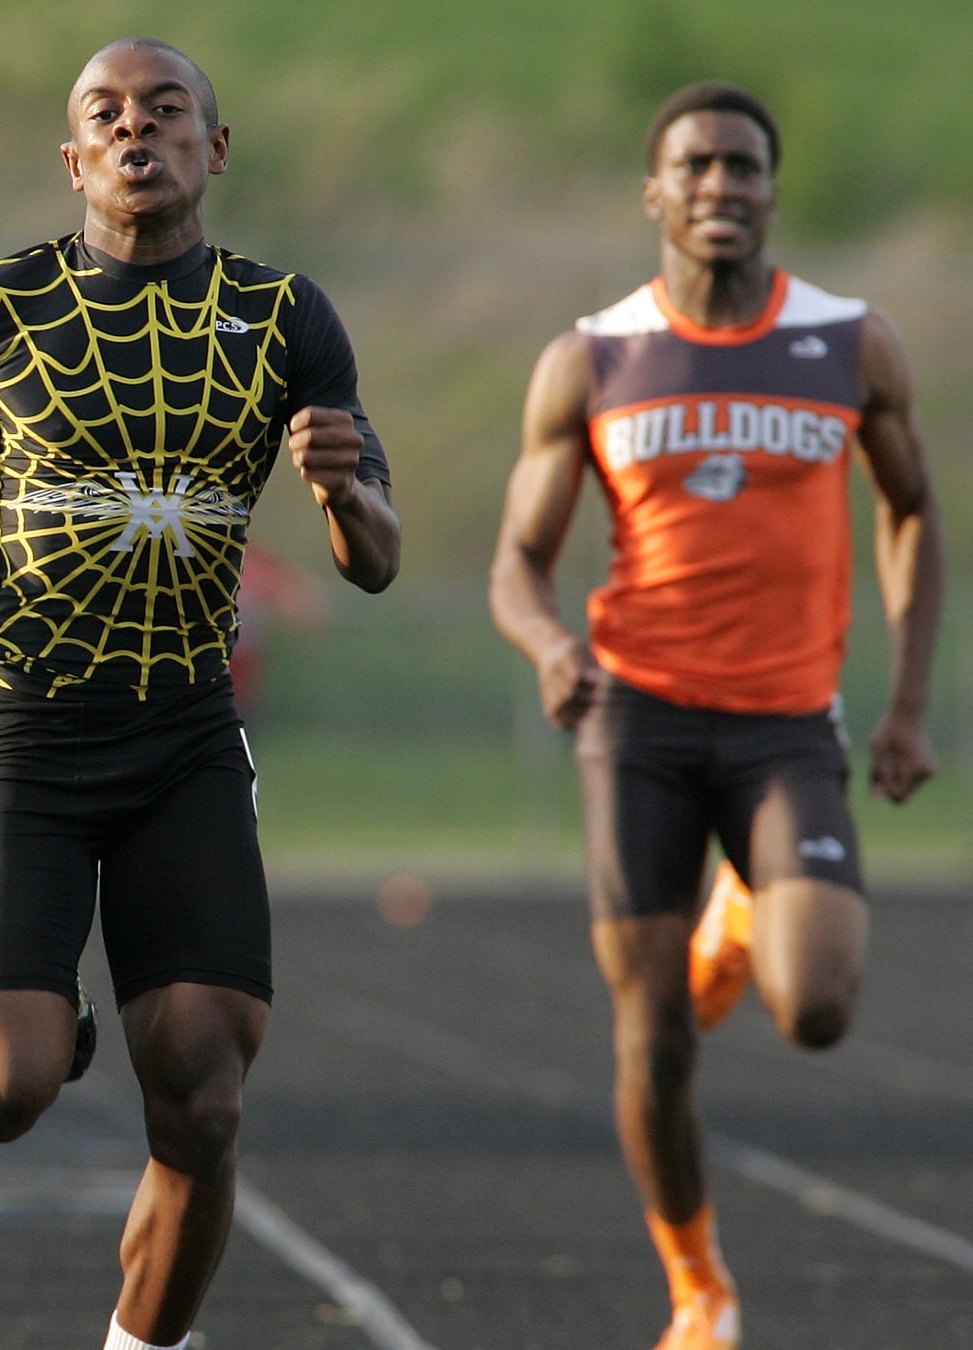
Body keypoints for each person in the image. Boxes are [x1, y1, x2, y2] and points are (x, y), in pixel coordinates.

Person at [0, 38, 399, 1350]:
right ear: (73, 158)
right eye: (106, 114)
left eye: (166, 108)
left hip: (187, 735)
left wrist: (348, 494)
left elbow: (378, 560)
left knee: (201, 1092)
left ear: (216, 146)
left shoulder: (287, 316)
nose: (137, 129)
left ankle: (146, 1343)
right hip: (31, 732)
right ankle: (58, 1011)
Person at [491, 81, 941, 1350]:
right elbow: (519, 560)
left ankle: (746, 905)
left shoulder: (852, 344)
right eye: (695, 166)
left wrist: (905, 706)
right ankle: (698, 1286)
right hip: (634, 719)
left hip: (788, 725)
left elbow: (913, 514)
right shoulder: (594, 357)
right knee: (654, 1034)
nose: (720, 187)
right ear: (657, 193)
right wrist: (545, 644)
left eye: (744, 167)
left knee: (818, 1009)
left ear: (771, 189)